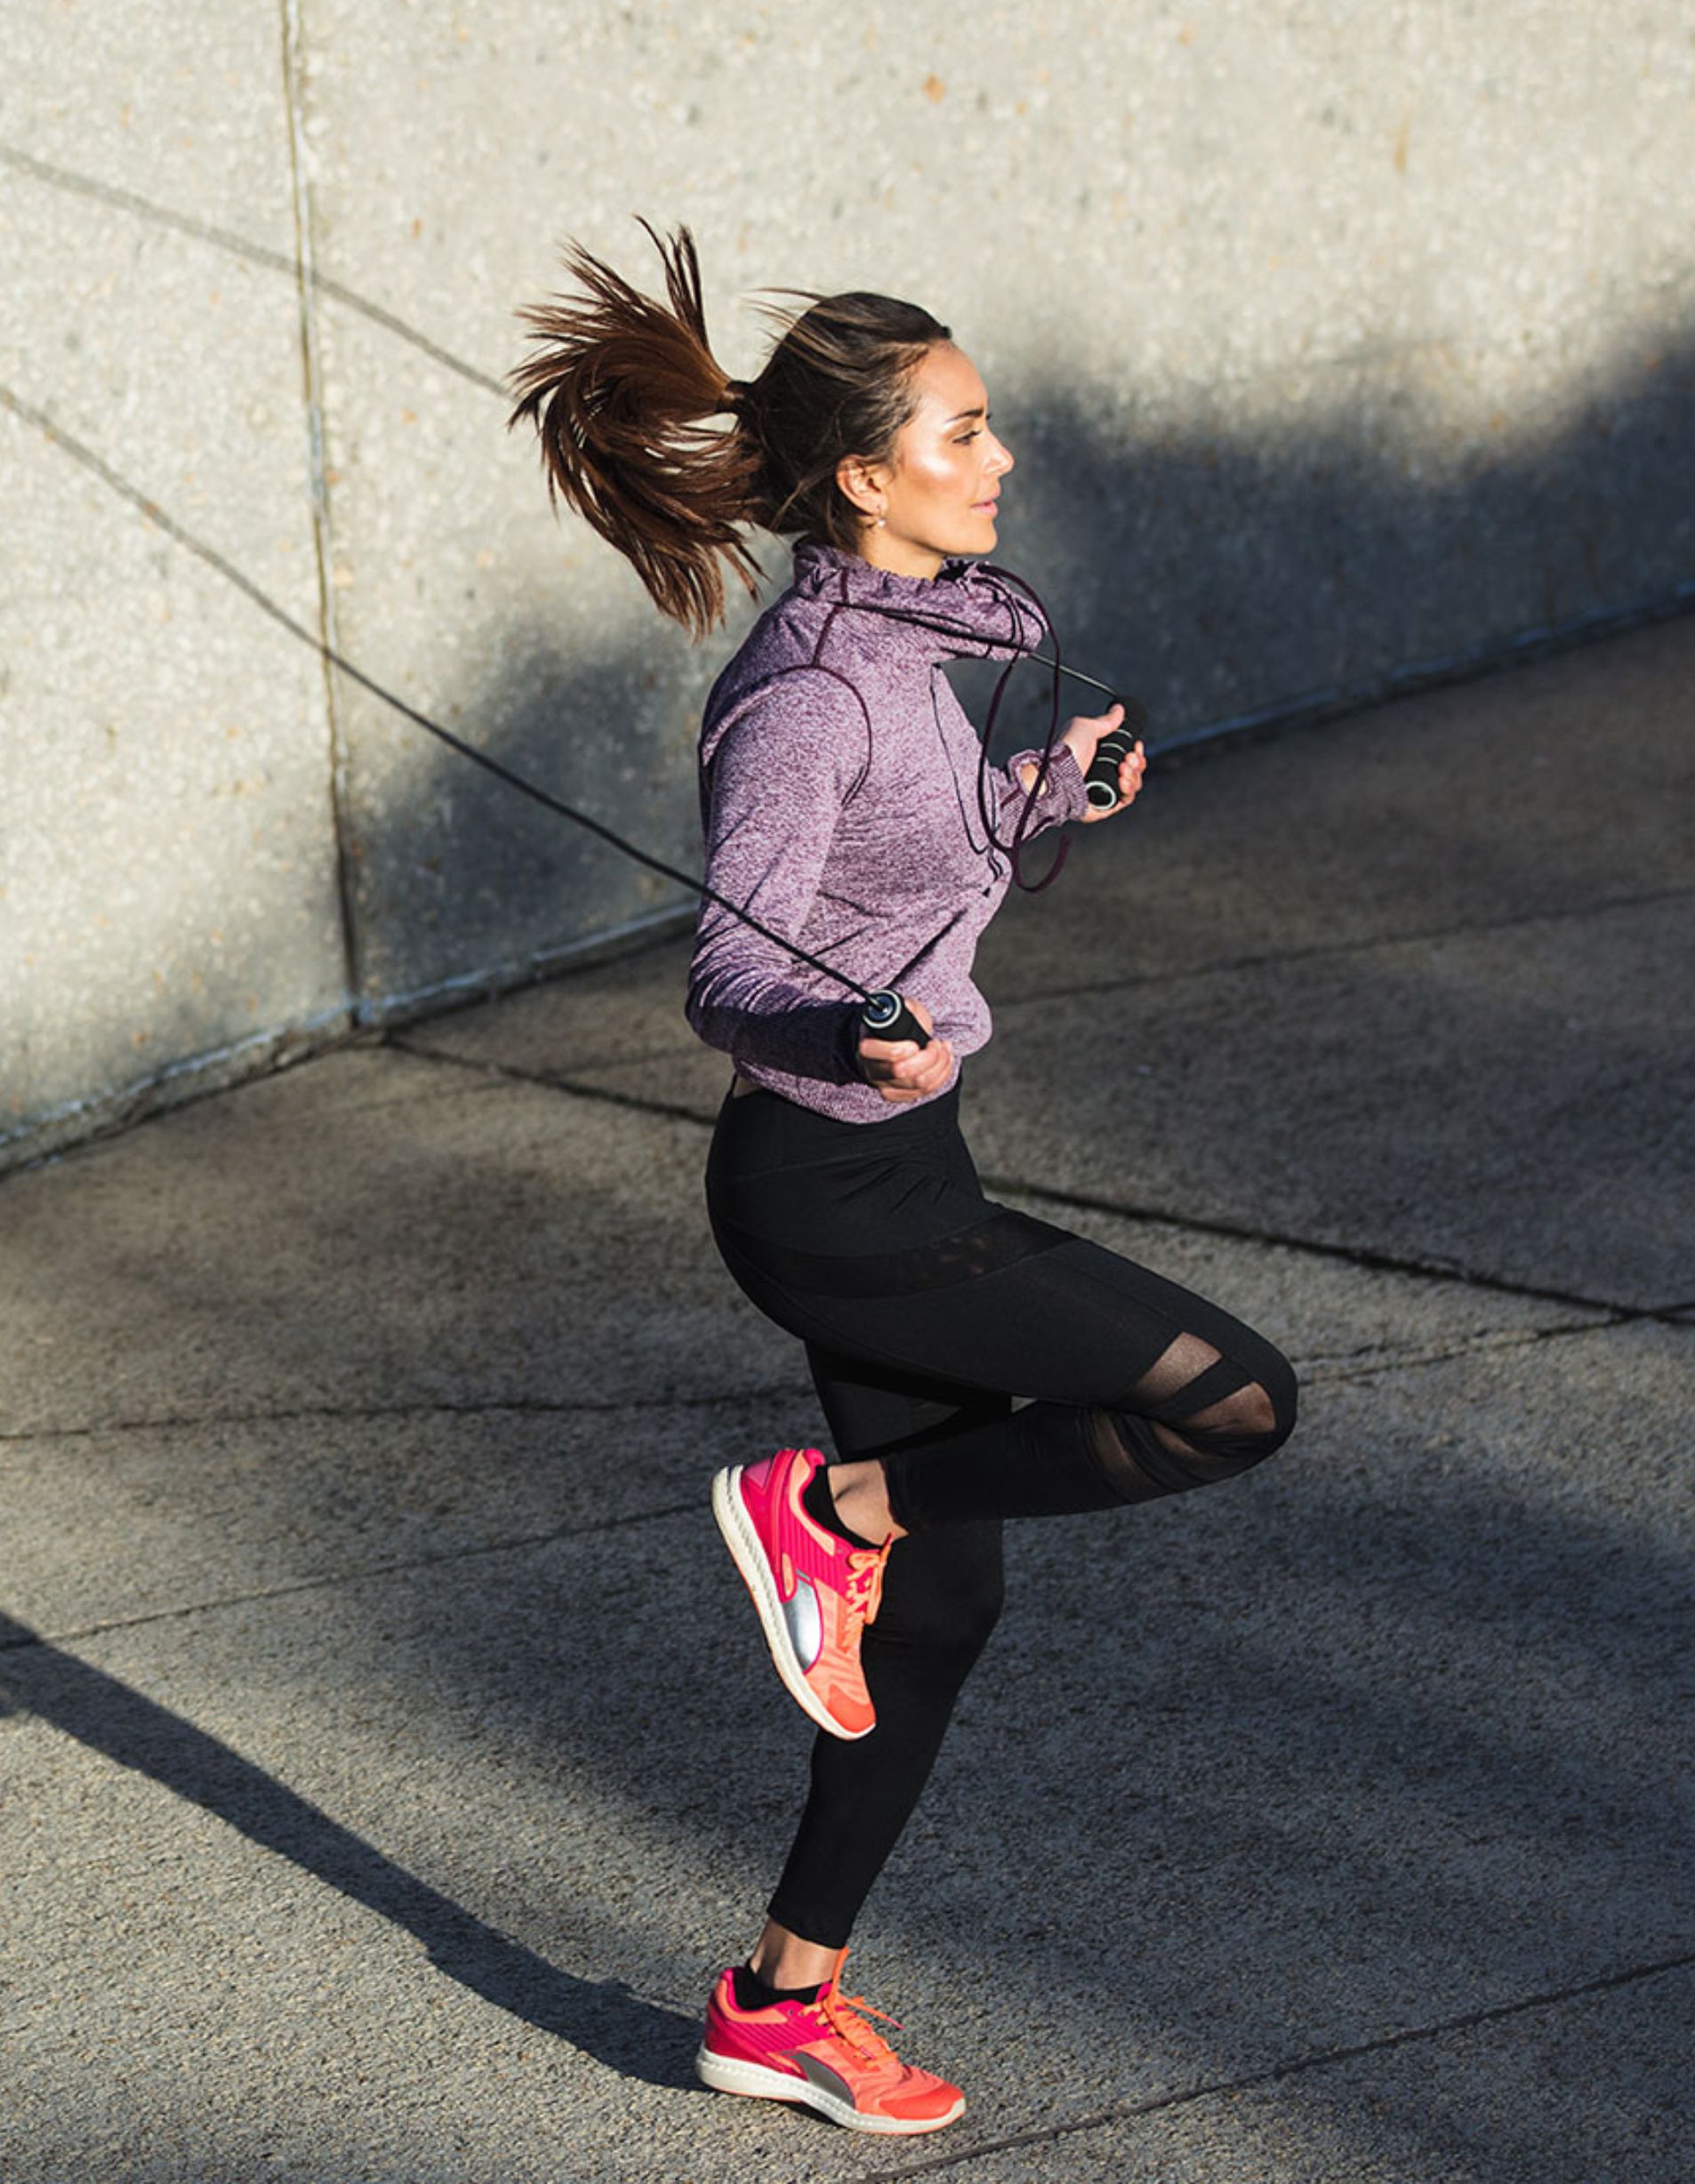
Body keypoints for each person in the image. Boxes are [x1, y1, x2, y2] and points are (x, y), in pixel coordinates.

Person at [508, 229, 1299, 2137]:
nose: (1000, 453)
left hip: (897, 1160)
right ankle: (828, 1502)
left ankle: (781, 2002)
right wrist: (841, 1027)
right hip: (834, 1197)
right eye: (964, 428)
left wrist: (1049, 801)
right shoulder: (805, 696)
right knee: (1232, 1398)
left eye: (990, 419)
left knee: (940, 1623)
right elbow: (733, 969)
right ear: (866, 473)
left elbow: (927, 871)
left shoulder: (954, 638)